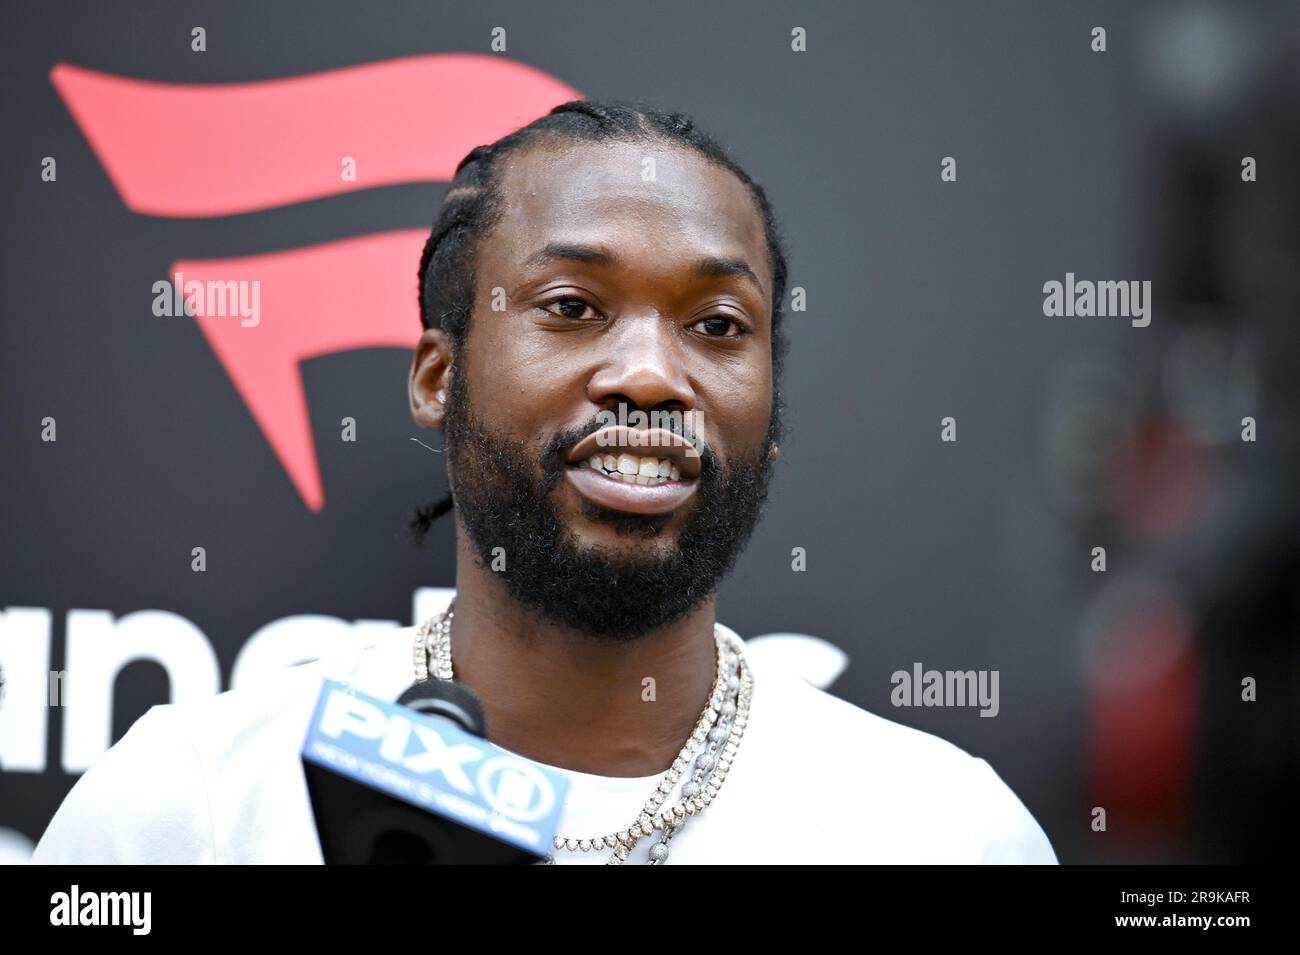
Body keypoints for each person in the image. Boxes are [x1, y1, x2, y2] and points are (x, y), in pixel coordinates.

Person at [33, 99, 1056, 864]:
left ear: (770, 418)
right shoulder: (193, 802)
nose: (653, 374)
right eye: (571, 305)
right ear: (440, 379)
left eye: (717, 326)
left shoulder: (946, 831)